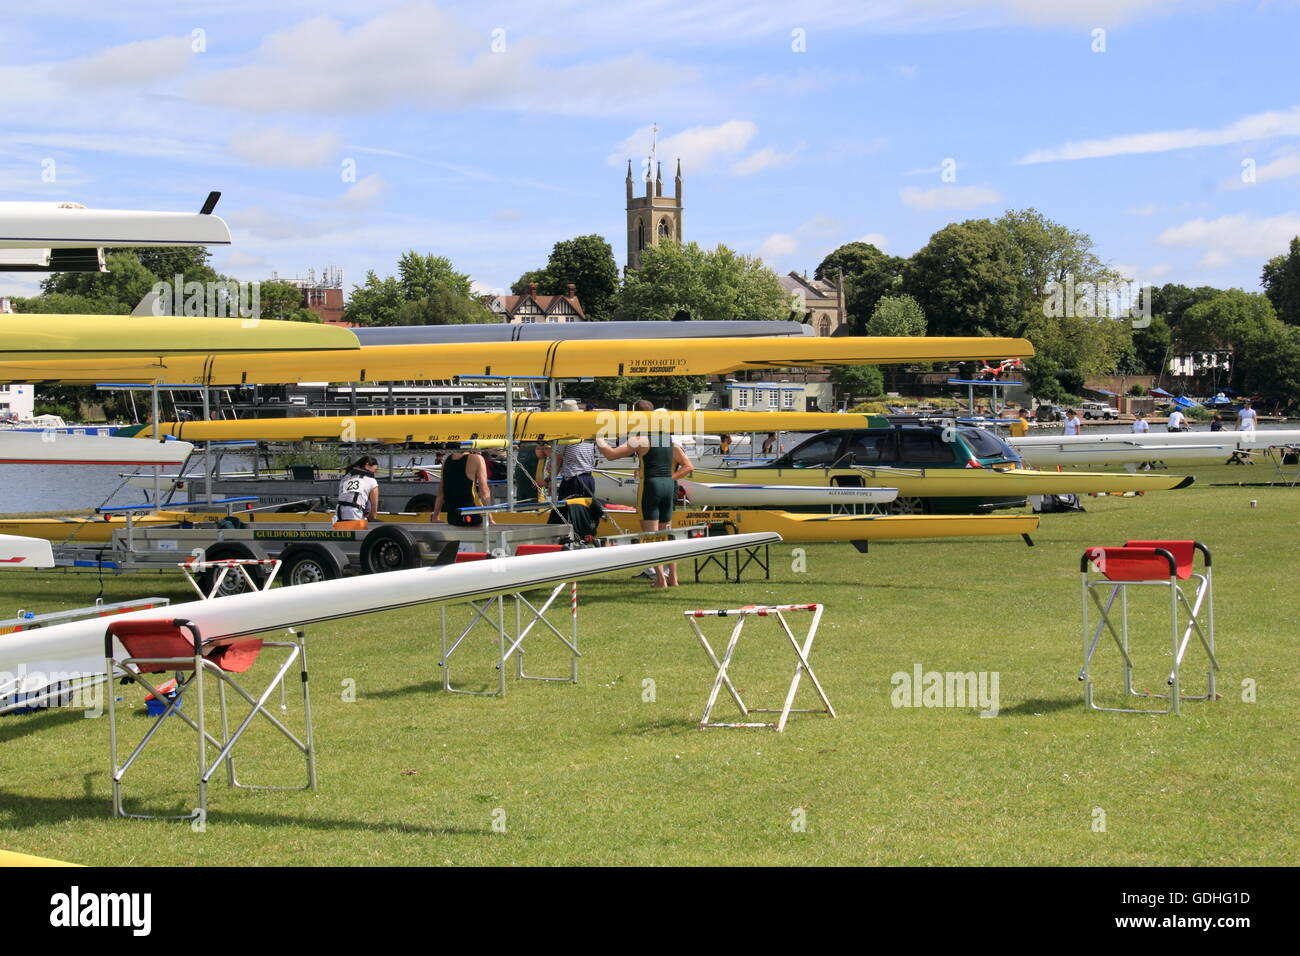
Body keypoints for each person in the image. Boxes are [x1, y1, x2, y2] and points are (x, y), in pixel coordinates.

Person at [594, 399, 694, 587]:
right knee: (668, 535)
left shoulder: (639, 439)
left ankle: (660, 580)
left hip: (651, 486)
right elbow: (688, 465)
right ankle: (673, 577)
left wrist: (598, 437)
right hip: (668, 486)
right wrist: (670, 478)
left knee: (651, 536)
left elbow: (610, 454)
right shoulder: (667, 438)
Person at [432, 446, 492, 527]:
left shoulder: (447, 459)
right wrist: (490, 518)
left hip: (453, 518)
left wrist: (435, 517)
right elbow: (484, 491)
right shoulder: (476, 459)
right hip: (473, 516)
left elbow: (441, 491)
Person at [552, 398, 597, 499]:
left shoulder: (566, 433)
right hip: (588, 478)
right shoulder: (587, 431)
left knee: (565, 512)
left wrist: (549, 480)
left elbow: (558, 460)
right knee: (585, 512)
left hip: (573, 480)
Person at [334, 456, 380, 526]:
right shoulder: (372, 481)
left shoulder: (347, 476)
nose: (375, 472)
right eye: (375, 469)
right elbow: (374, 509)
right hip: (354, 513)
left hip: (339, 511)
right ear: (367, 465)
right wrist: (372, 519)